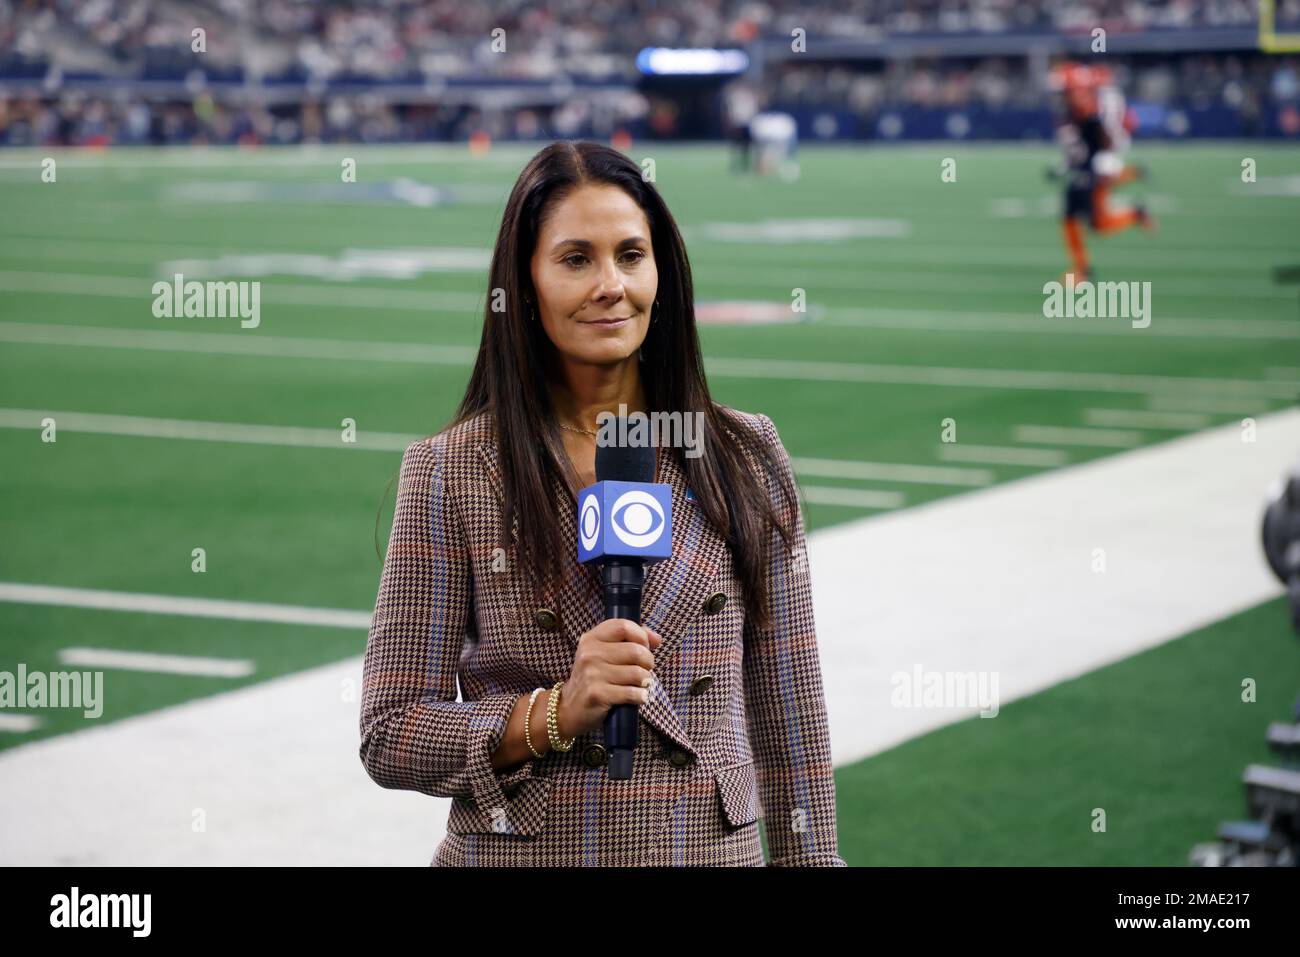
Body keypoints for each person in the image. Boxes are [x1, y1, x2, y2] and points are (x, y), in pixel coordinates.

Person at [359, 140, 845, 867]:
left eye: (630, 254)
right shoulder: (450, 469)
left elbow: (792, 711)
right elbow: (390, 733)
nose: (611, 284)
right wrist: (554, 711)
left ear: (663, 273)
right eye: (576, 259)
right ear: (524, 285)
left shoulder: (745, 452)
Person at [1049, 62, 1155, 281]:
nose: (1061, 96)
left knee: (1097, 223)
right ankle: (1082, 268)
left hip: (1090, 172)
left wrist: (1085, 164)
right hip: (1086, 171)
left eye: (1064, 91)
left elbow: (1099, 143)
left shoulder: (1088, 113)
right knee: (1073, 218)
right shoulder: (1081, 111)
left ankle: (1134, 212)